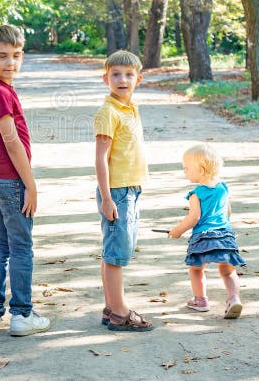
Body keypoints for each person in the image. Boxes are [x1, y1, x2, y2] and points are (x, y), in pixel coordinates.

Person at [0, 25, 51, 337]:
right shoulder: (2, 93)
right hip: (9, 180)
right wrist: (30, 184)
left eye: (16, 56)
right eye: (2, 56)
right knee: (20, 247)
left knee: (0, 244)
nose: (10, 62)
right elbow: (11, 142)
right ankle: (21, 314)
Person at [94, 50, 154, 332]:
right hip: (117, 192)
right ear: (105, 78)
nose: (122, 79)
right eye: (116, 74)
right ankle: (120, 313)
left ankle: (110, 307)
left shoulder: (130, 107)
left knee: (114, 252)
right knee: (117, 254)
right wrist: (107, 198)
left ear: (138, 79)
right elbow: (101, 159)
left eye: (129, 75)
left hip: (130, 189)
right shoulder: (108, 112)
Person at [168, 144, 246, 319]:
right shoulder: (223, 188)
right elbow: (228, 212)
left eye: (187, 168)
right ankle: (234, 298)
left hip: (203, 236)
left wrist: (177, 231)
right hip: (225, 234)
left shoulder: (196, 194)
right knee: (227, 270)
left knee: (196, 269)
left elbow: (193, 218)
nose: (184, 171)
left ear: (201, 170)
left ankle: (200, 300)